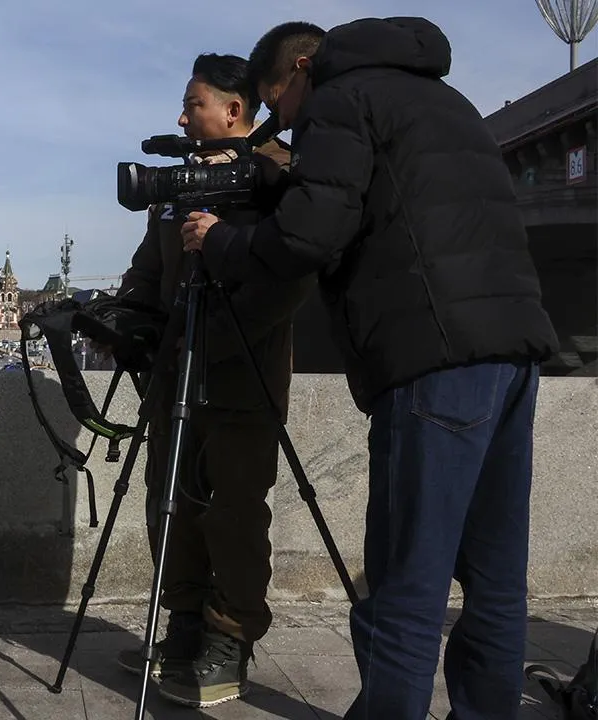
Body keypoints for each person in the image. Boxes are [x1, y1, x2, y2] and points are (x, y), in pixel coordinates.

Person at [180, 18, 559, 720]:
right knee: (496, 580)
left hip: (431, 358)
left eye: (278, 103)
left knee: (406, 582)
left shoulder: (339, 98)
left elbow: (310, 234)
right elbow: (375, 202)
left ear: (300, 68)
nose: (284, 125)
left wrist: (223, 241)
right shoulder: (445, 100)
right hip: (513, 352)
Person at [111, 53, 315, 707]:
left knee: (233, 514)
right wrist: (121, 320)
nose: (180, 118)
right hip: (176, 380)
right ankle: (183, 628)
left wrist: (216, 342)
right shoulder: (179, 183)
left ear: (232, 110)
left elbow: (287, 281)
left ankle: (228, 641)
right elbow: (149, 271)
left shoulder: (279, 179)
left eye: (191, 104)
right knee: (170, 504)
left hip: (242, 379)